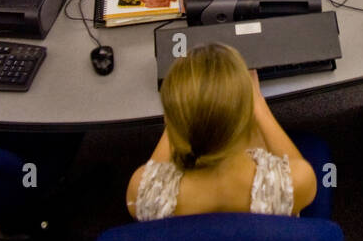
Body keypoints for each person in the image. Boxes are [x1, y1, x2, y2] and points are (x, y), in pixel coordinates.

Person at [126, 43, 317, 220]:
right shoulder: (297, 183)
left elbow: (154, 170)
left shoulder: (142, 193)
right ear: (246, 122)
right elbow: (295, 164)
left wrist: (184, 107)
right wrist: (259, 104)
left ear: (169, 120)